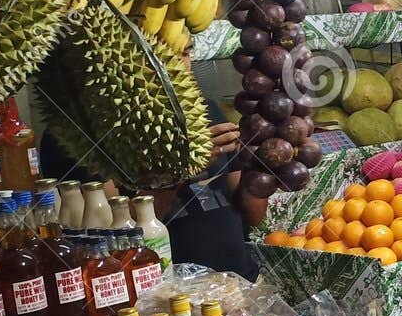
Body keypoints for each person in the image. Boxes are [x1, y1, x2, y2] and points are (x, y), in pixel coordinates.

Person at [37, 65, 259, 277]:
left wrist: (260, 162)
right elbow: (116, 240)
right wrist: (182, 168)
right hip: (166, 294)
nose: (182, 64)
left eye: (186, 51)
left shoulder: (205, 110)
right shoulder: (75, 136)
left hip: (239, 281)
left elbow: (254, 216)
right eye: (167, 50)